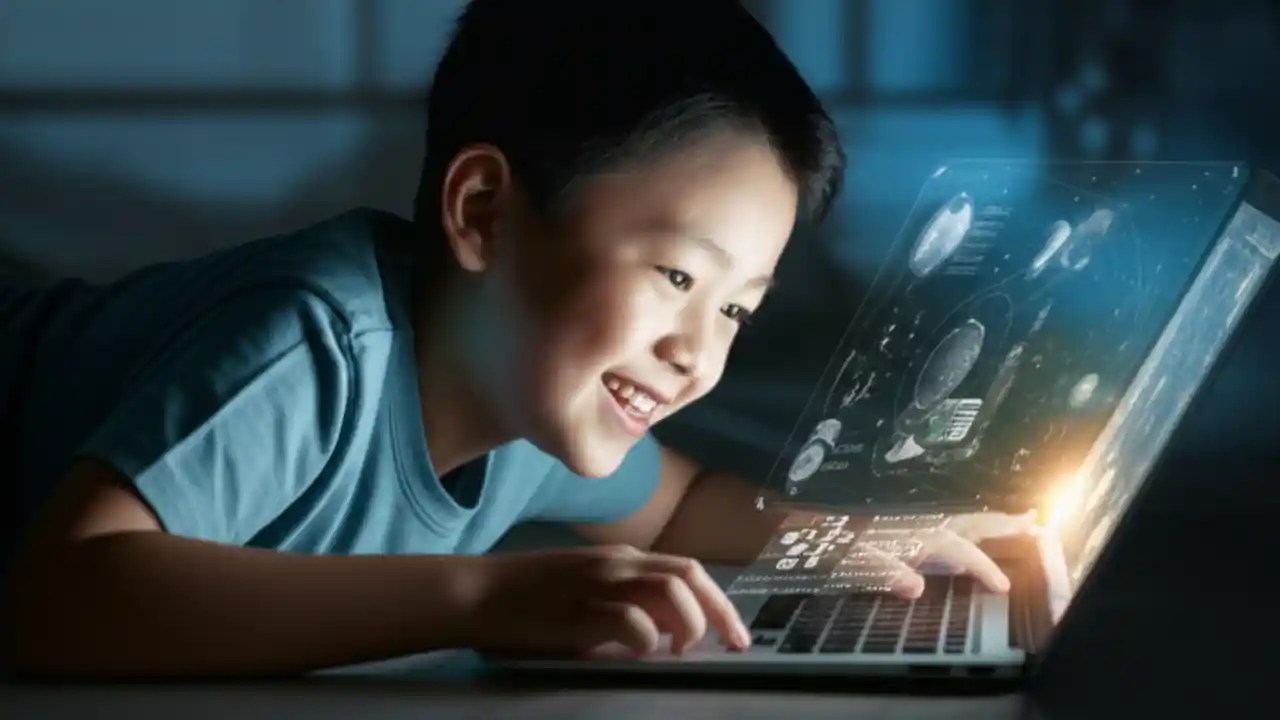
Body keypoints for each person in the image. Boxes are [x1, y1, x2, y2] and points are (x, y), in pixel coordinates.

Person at [2, 0, 1036, 677]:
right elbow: (60, 596)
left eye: (734, 310)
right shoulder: (316, 343)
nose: (697, 352)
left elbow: (679, 506)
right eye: (677, 277)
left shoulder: (528, 400)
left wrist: (851, 541)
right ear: (485, 213)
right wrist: (483, 595)